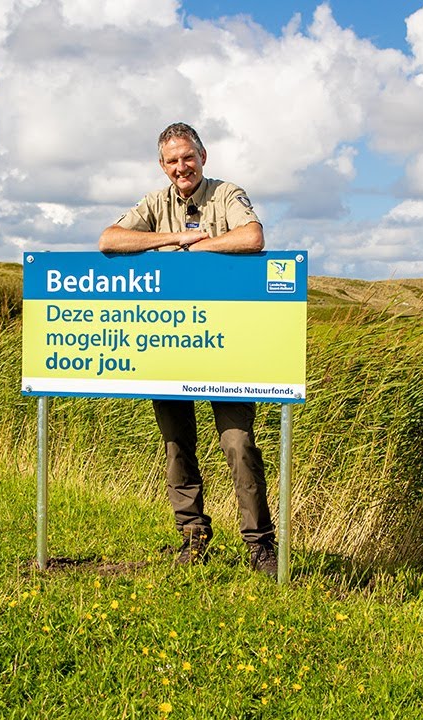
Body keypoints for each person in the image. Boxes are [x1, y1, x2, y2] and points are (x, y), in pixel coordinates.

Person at [99, 122, 276, 576]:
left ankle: (260, 544)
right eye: (172, 161)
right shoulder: (155, 203)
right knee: (177, 445)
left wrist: (203, 248)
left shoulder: (226, 194)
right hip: (173, 345)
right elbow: (109, 240)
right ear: (163, 166)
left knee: (238, 444)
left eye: (188, 157)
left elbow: (252, 237)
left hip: (228, 346)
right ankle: (193, 536)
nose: (182, 167)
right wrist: (174, 239)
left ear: (203, 156)